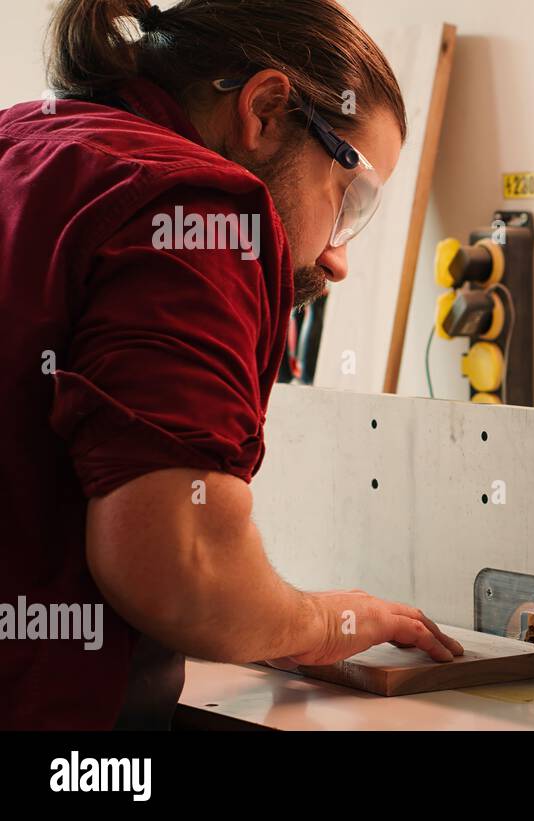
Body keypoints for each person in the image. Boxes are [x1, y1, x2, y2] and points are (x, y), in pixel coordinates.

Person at [0, 0, 462, 730]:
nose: (338, 258)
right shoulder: (199, 209)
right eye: (350, 197)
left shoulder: (25, 140)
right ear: (267, 110)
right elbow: (174, 566)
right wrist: (320, 622)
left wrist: (257, 615)